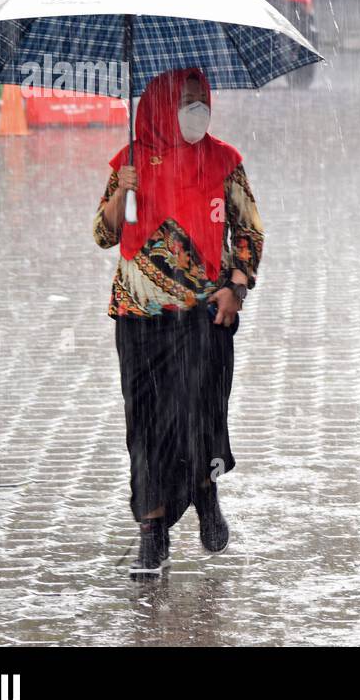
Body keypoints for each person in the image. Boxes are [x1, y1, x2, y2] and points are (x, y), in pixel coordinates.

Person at [92, 67, 264, 578]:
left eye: (200, 99)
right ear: (162, 103)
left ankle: (206, 497)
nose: (196, 110)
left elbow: (249, 232)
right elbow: (104, 235)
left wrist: (236, 287)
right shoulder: (129, 160)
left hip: (202, 318)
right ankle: (151, 530)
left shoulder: (224, 162)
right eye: (185, 100)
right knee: (145, 427)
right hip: (138, 318)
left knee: (199, 418)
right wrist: (121, 192)